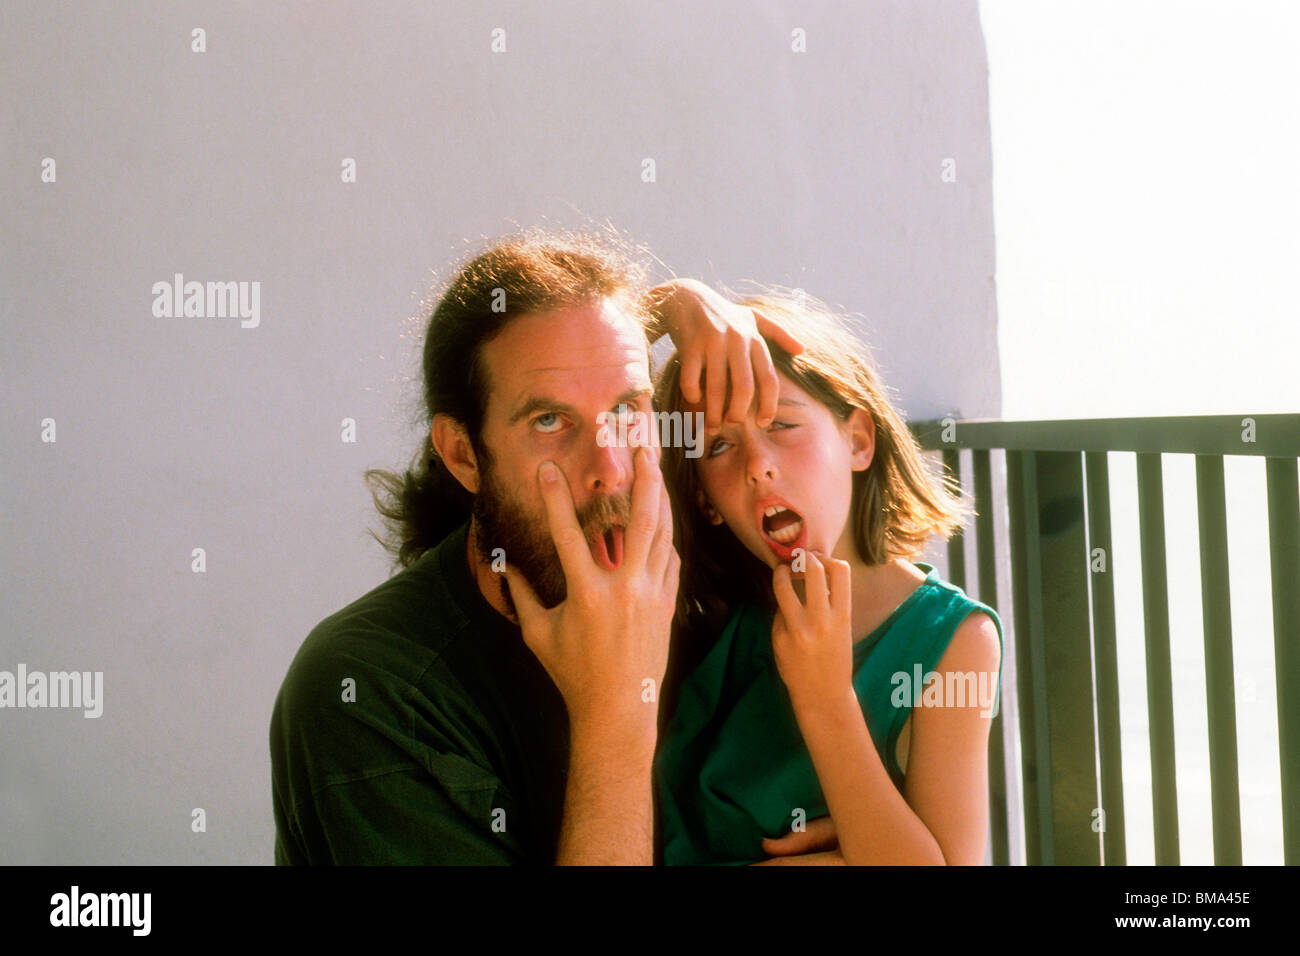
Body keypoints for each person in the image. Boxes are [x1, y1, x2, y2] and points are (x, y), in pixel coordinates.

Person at [268, 231, 800, 864]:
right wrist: (615, 714)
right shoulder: (370, 691)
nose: (610, 470)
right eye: (550, 422)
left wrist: (681, 302)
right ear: (463, 455)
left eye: (628, 411)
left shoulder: (710, 586)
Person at [652, 285, 1005, 865]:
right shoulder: (707, 617)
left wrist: (824, 698)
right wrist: (677, 304)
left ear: (858, 441)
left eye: (782, 425)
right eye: (718, 445)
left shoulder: (953, 642)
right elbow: (586, 410)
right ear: (705, 500)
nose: (758, 465)